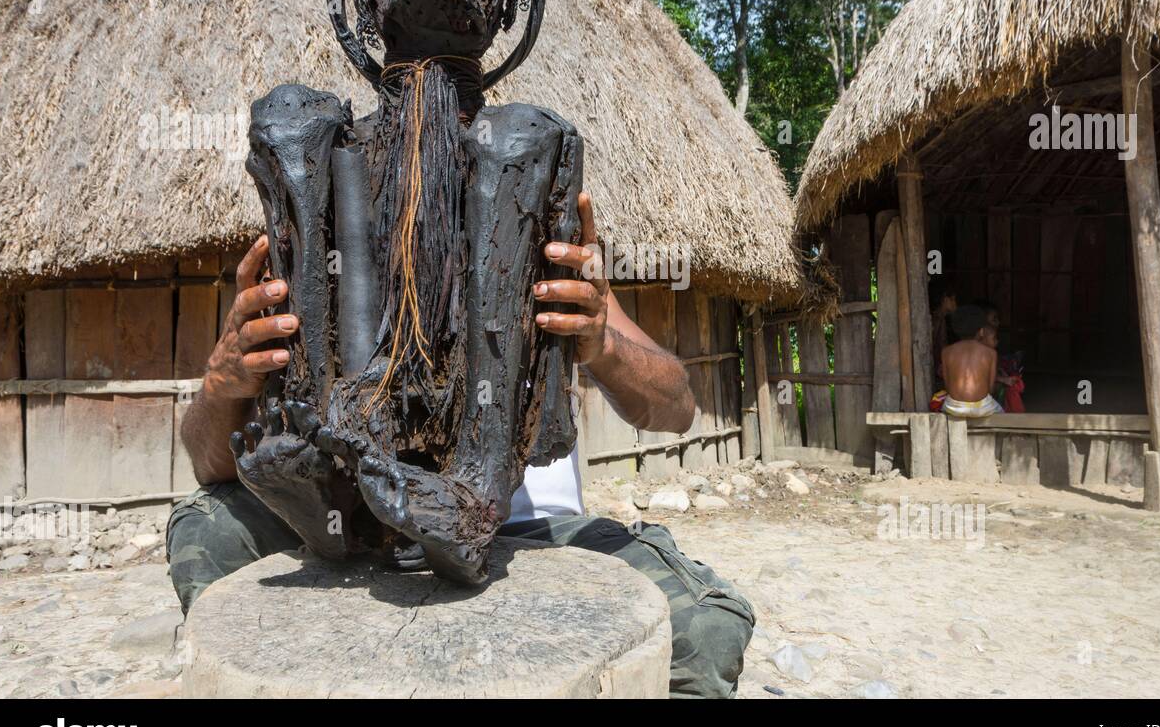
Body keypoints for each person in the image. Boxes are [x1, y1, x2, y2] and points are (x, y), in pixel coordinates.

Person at [167, 192, 755, 699]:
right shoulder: (316, 251)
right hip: (351, 524)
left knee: (706, 629)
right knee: (209, 529)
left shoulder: (545, 257)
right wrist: (222, 386)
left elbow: (677, 407)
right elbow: (206, 462)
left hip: (528, 533)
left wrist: (602, 343)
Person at [938, 304, 1004, 417]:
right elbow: (990, 389)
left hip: (954, 408)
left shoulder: (946, 352)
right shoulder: (990, 353)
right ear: (981, 331)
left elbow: (948, 387)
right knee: (1001, 412)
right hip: (982, 408)